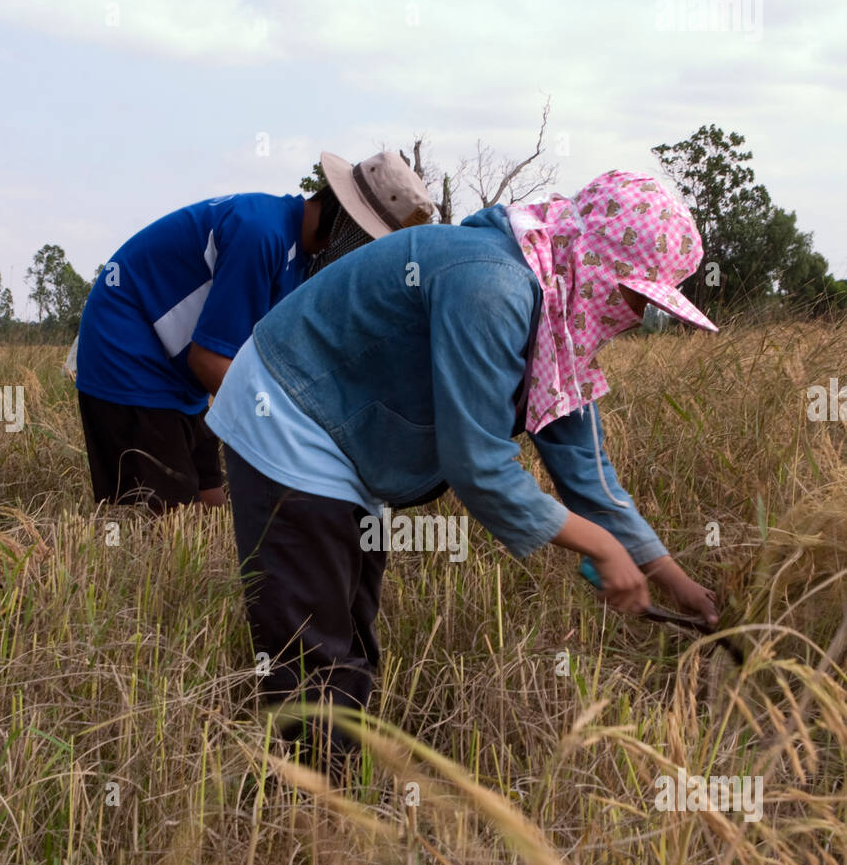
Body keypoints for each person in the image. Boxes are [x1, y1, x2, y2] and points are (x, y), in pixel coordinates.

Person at [206, 168, 720, 757]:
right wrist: (603, 549)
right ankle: (311, 822)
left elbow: (588, 475)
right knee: (314, 649)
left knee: (350, 626)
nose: (635, 314)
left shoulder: (557, 317)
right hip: (288, 415)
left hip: (350, 440)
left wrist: (677, 583)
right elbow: (479, 466)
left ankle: (331, 789)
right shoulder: (493, 285)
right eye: (636, 295)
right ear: (598, 265)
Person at [73, 151, 433, 510]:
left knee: (210, 506)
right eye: (367, 242)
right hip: (128, 354)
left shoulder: (302, 259)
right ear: (344, 222)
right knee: (163, 520)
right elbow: (210, 359)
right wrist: (287, 435)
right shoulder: (262, 236)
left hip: (178, 374)